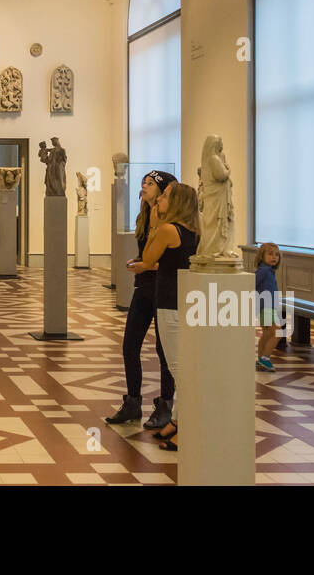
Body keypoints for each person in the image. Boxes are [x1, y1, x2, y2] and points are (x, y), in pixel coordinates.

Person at [105, 170, 178, 428]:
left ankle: (165, 404)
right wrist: (139, 262)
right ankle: (133, 402)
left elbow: (171, 261)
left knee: (164, 349)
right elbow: (147, 253)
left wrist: (147, 265)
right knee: (130, 344)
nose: (144, 186)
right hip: (144, 286)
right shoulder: (144, 217)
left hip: (164, 288)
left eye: (150, 183)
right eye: (143, 183)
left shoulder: (169, 222)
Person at [136, 181, 200, 451]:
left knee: (177, 367)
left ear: (176, 203)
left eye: (164, 196)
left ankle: (188, 427)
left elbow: (148, 258)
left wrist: (154, 225)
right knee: (181, 363)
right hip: (188, 302)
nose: (159, 199)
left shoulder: (167, 230)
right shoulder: (194, 231)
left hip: (170, 304)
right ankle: (175, 420)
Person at [255, 242, 281, 371]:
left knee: (266, 333)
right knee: (277, 332)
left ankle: (260, 359)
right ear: (262, 256)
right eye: (270, 254)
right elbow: (252, 283)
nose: (274, 257)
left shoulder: (269, 271)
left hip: (268, 306)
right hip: (265, 307)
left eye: (276, 255)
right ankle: (265, 358)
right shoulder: (264, 271)